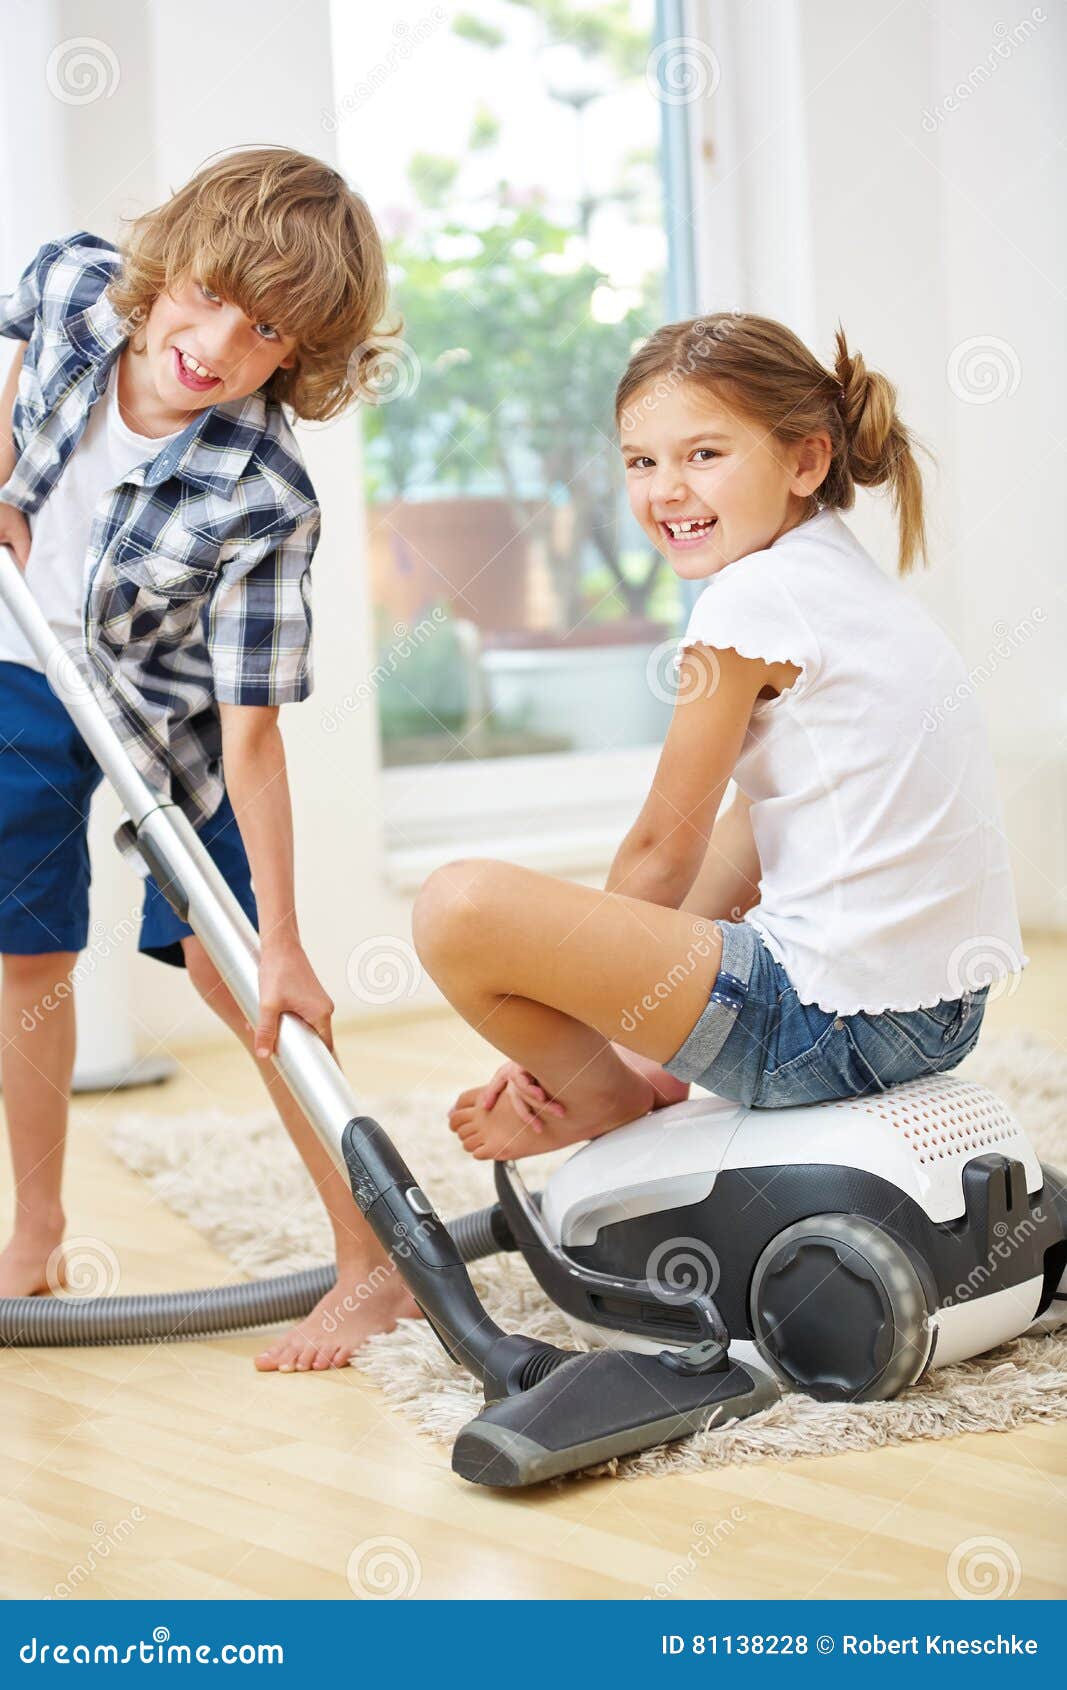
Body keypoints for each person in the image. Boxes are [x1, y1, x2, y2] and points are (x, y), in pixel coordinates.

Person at [414, 314, 1027, 1163]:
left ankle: (602, 1098)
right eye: (641, 461)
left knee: (459, 907)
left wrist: (573, 1036)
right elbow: (753, 828)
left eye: (703, 454)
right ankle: (635, 1067)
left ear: (805, 461)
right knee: (745, 830)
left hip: (825, 1027)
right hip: (936, 1017)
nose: (665, 489)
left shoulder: (748, 604)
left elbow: (664, 846)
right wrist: (633, 1007)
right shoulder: (836, 578)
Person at [0, 146, 422, 1370]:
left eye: (267, 331)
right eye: (207, 297)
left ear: (298, 355)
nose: (218, 344)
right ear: (165, 263)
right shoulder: (80, 283)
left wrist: (280, 935)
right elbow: (24, 344)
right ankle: (34, 1233)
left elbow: (250, 728)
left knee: (241, 980)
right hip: (26, 674)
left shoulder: (265, 492)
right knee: (25, 959)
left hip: (175, 720)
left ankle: (372, 1264)